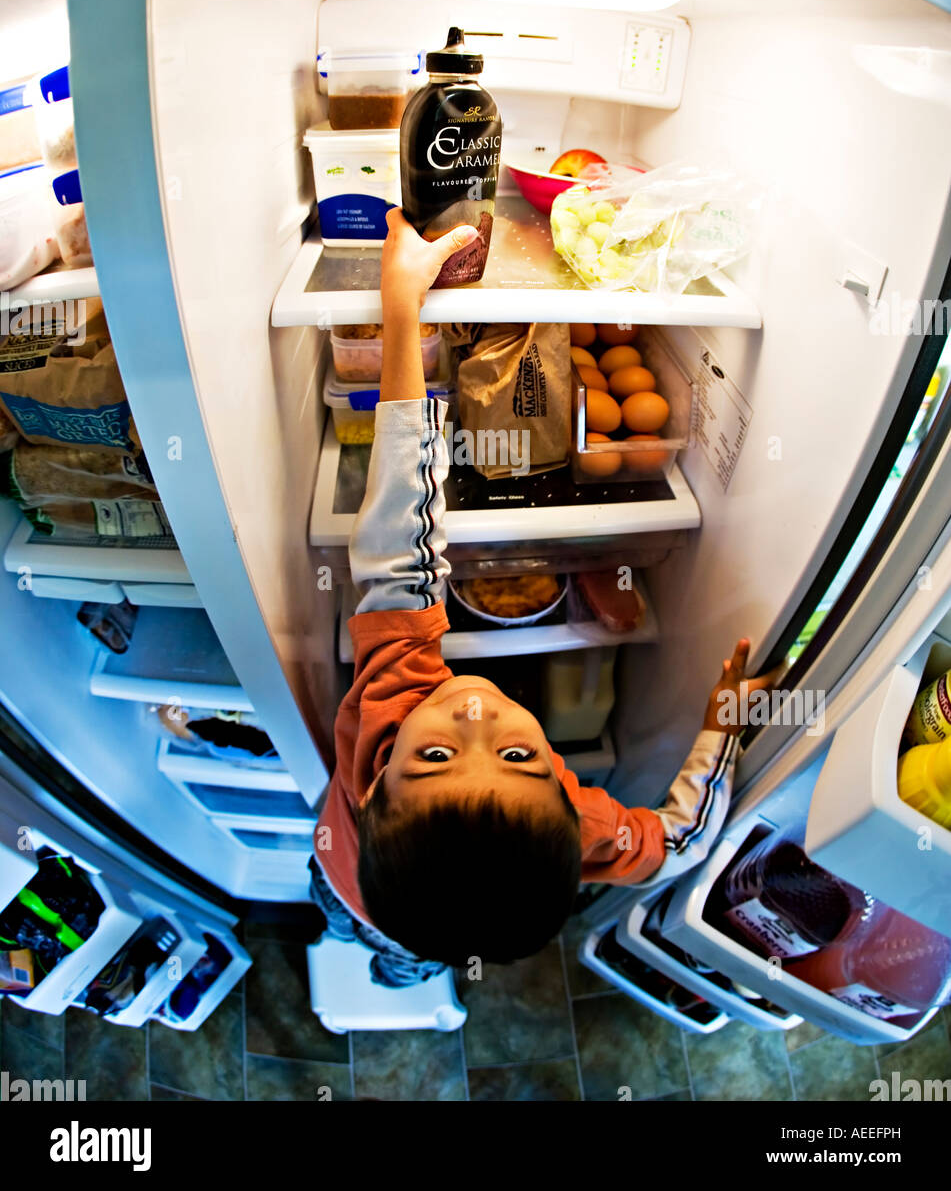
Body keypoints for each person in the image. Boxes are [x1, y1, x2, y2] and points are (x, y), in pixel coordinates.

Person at [311, 208, 778, 987]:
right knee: (409, 946)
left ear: (370, 786)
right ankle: (412, 966)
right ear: (564, 798)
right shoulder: (580, 825)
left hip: (348, 880)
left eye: (433, 757)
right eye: (521, 756)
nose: (474, 716)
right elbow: (678, 842)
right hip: (370, 881)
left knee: (378, 932)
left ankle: (402, 963)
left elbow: (398, 541)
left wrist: (401, 314)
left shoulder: (387, 707)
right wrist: (718, 732)